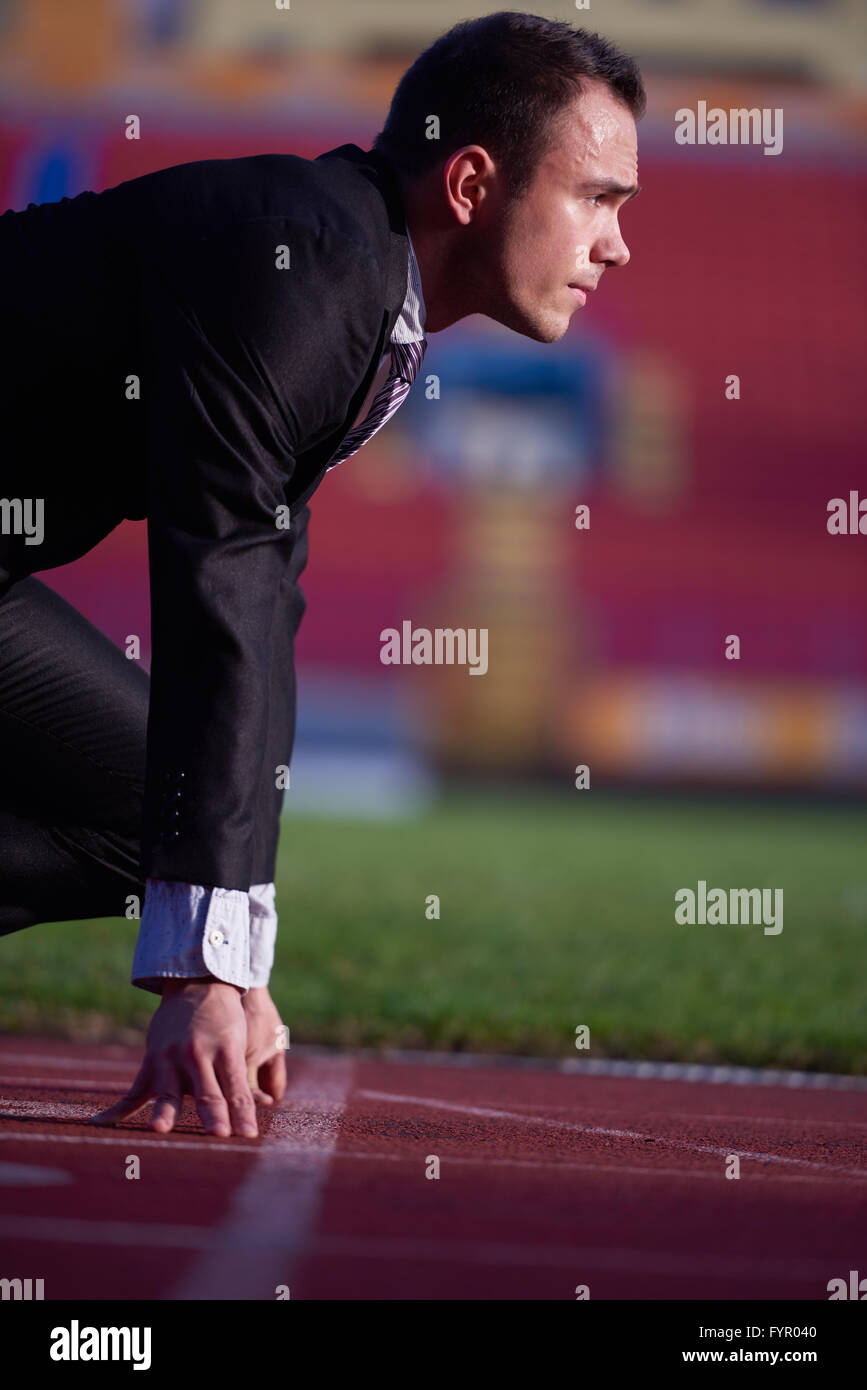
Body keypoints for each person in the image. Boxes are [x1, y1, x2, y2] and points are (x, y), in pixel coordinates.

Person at [0, 12, 644, 1137]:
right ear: (473, 181)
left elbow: (261, 619)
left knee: (141, 805)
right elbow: (220, 591)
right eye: (598, 198)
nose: (618, 245)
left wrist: (238, 962)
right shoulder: (302, 260)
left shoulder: (364, 297)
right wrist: (198, 980)